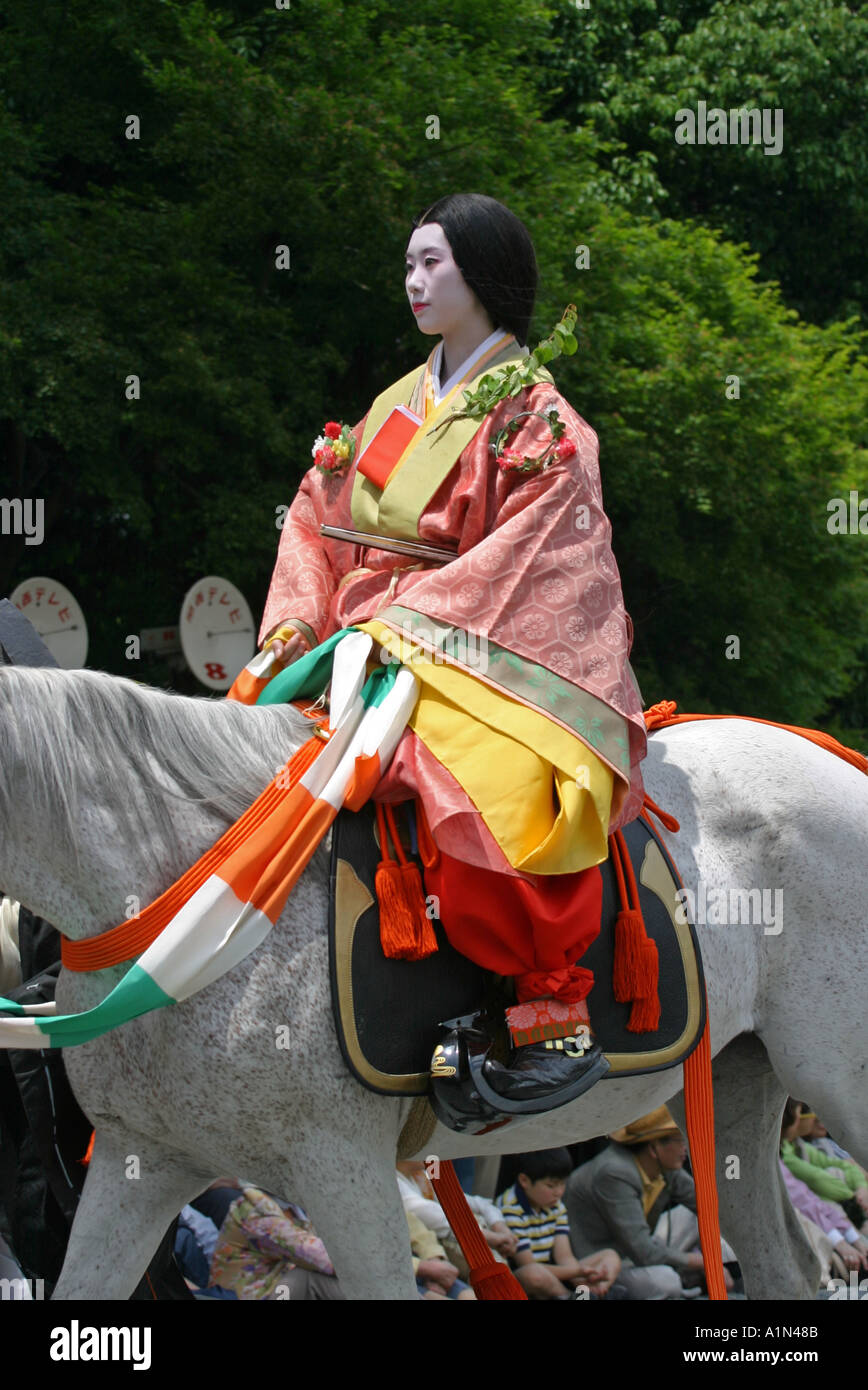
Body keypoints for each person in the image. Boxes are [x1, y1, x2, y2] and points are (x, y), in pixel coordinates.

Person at [254, 193, 647, 1109]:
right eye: (407, 266)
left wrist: (408, 627)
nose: (415, 282)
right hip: (357, 638)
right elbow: (320, 516)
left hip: (477, 649)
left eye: (433, 262)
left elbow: (547, 557)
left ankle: (546, 1014)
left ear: (484, 270)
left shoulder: (538, 416)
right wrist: (296, 624)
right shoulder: (397, 405)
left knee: (487, 783)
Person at [564, 1107, 735, 1299]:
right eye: (680, 1139)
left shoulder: (666, 1166)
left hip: (640, 1249)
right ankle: (684, 1277)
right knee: (665, 1281)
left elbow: (708, 1204)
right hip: (606, 1264)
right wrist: (707, 1263)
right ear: (654, 1148)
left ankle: (692, 1273)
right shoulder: (613, 1173)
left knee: (704, 1215)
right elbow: (643, 1252)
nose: (685, 1147)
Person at [496, 1147, 620, 1299]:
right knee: (534, 1274)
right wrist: (578, 1272)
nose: (559, 1192)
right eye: (551, 1185)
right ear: (524, 1181)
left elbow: (564, 1257)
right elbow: (527, 1264)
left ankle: (597, 1290)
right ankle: (569, 1296)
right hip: (525, 1276)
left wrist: (582, 1274)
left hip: (556, 1271)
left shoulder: (554, 1203)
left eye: (563, 1184)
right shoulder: (510, 1207)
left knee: (610, 1255)